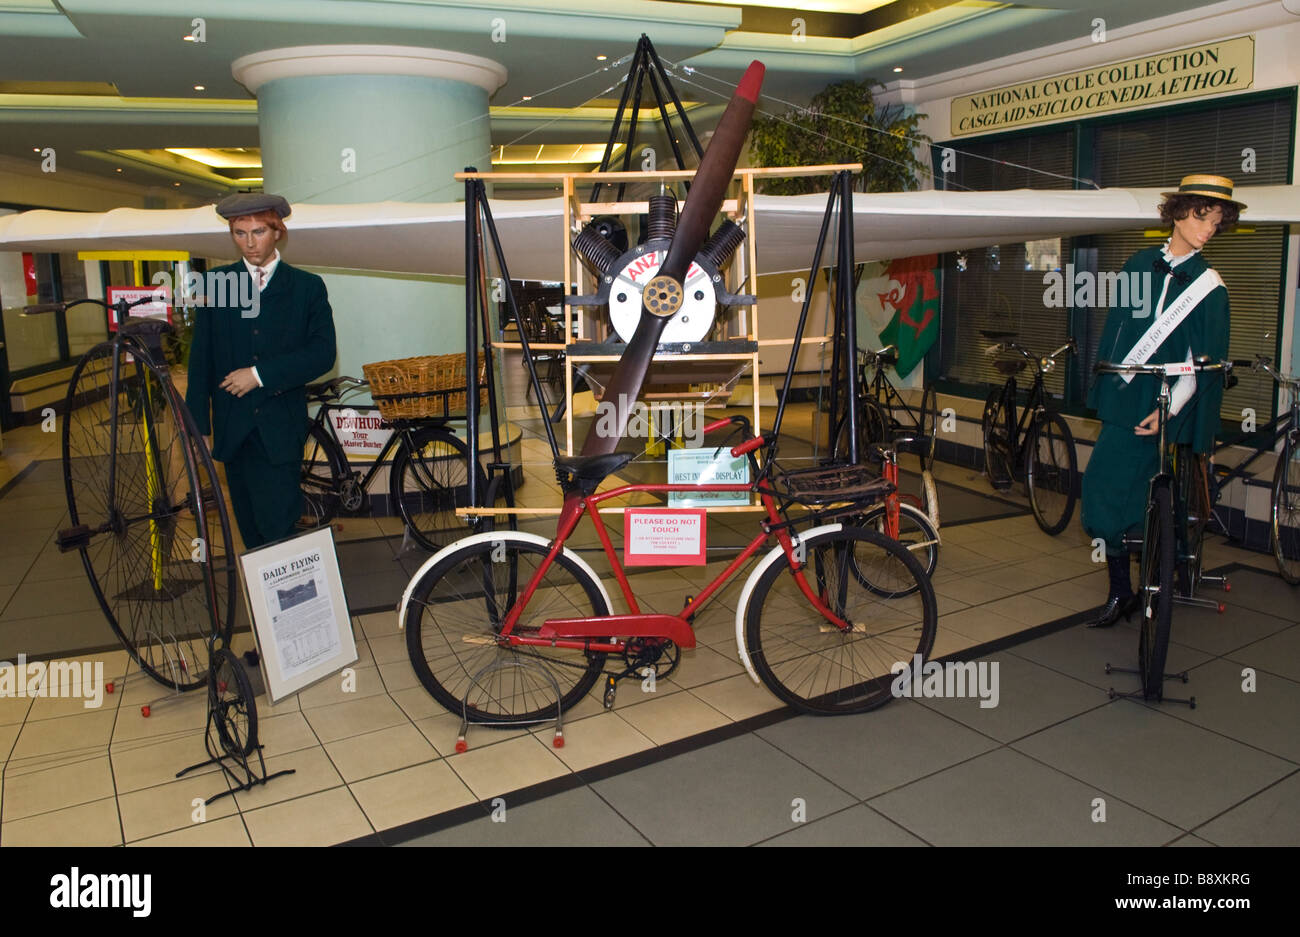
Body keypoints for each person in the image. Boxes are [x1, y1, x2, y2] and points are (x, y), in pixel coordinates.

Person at [1081, 174, 1243, 627]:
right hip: (1124, 401)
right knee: (1102, 491)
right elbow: (1117, 333)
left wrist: (1168, 410)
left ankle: (1150, 584)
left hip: (1167, 403)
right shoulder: (1137, 265)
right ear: (1178, 212)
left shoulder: (1210, 286)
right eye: (1202, 217)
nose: (1208, 229)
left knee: (1145, 499)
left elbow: (1202, 362)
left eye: (1216, 222)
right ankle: (1122, 589)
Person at [185, 193, 337, 549]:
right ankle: (258, 586)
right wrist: (197, 426)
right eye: (240, 233)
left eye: (258, 232)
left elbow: (322, 354)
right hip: (232, 429)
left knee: (279, 531)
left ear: (278, 232)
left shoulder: (306, 287)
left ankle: (283, 586)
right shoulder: (216, 283)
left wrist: (259, 375)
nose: (250, 243)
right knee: (249, 532)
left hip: (279, 430)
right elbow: (201, 360)